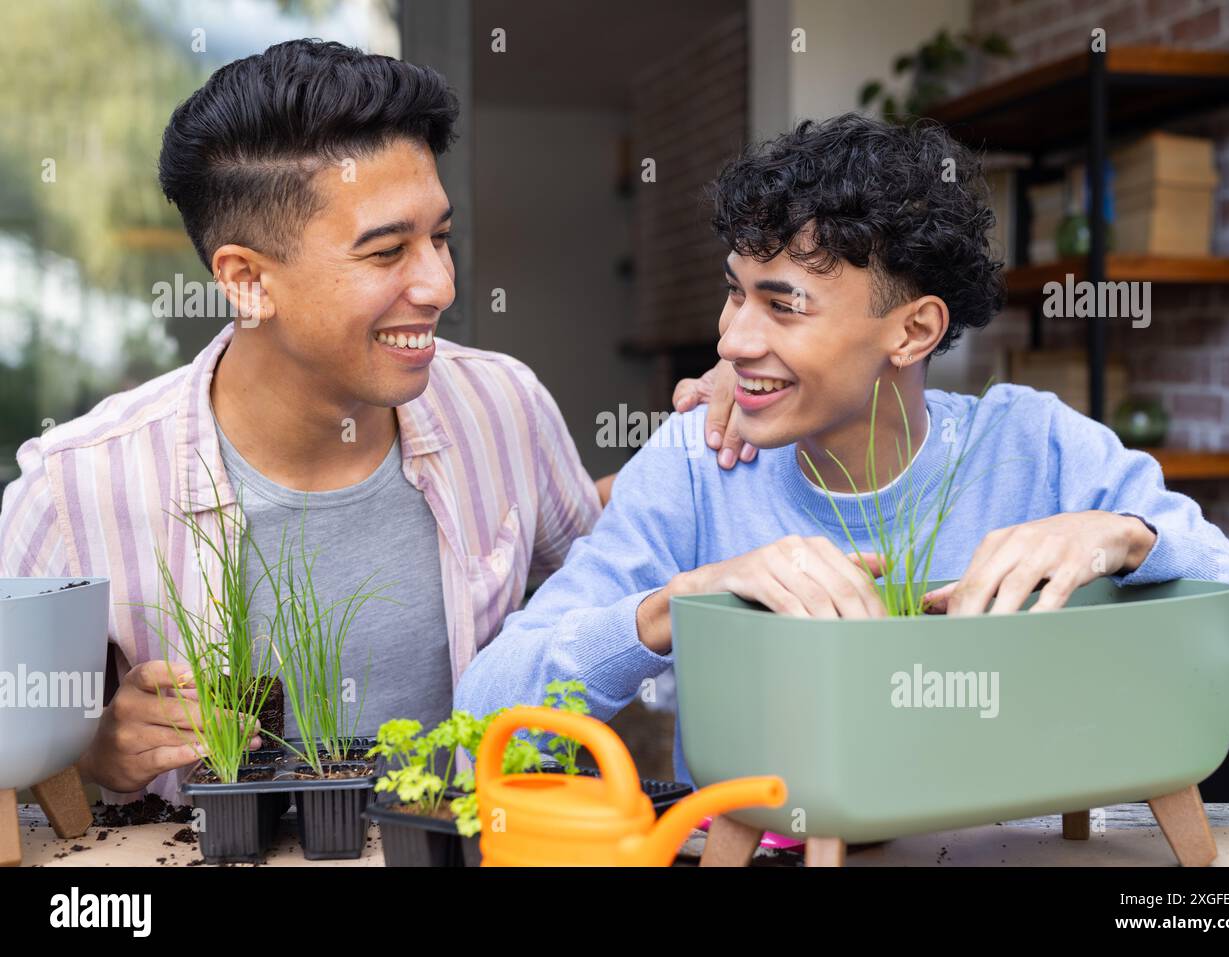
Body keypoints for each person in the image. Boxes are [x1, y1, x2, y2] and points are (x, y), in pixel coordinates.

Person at [455, 113, 1229, 786]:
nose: (733, 339)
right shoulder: (696, 463)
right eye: (734, 294)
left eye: (782, 307)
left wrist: (1134, 540)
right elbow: (482, 724)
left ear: (914, 329)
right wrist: (675, 605)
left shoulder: (1036, 447)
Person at [0, 39, 744, 803]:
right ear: (247, 279)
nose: (440, 284)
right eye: (388, 251)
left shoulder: (502, 405)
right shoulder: (75, 483)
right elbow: (9, 745)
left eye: (441, 238)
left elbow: (608, 564)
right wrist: (87, 751)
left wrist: (733, 418)